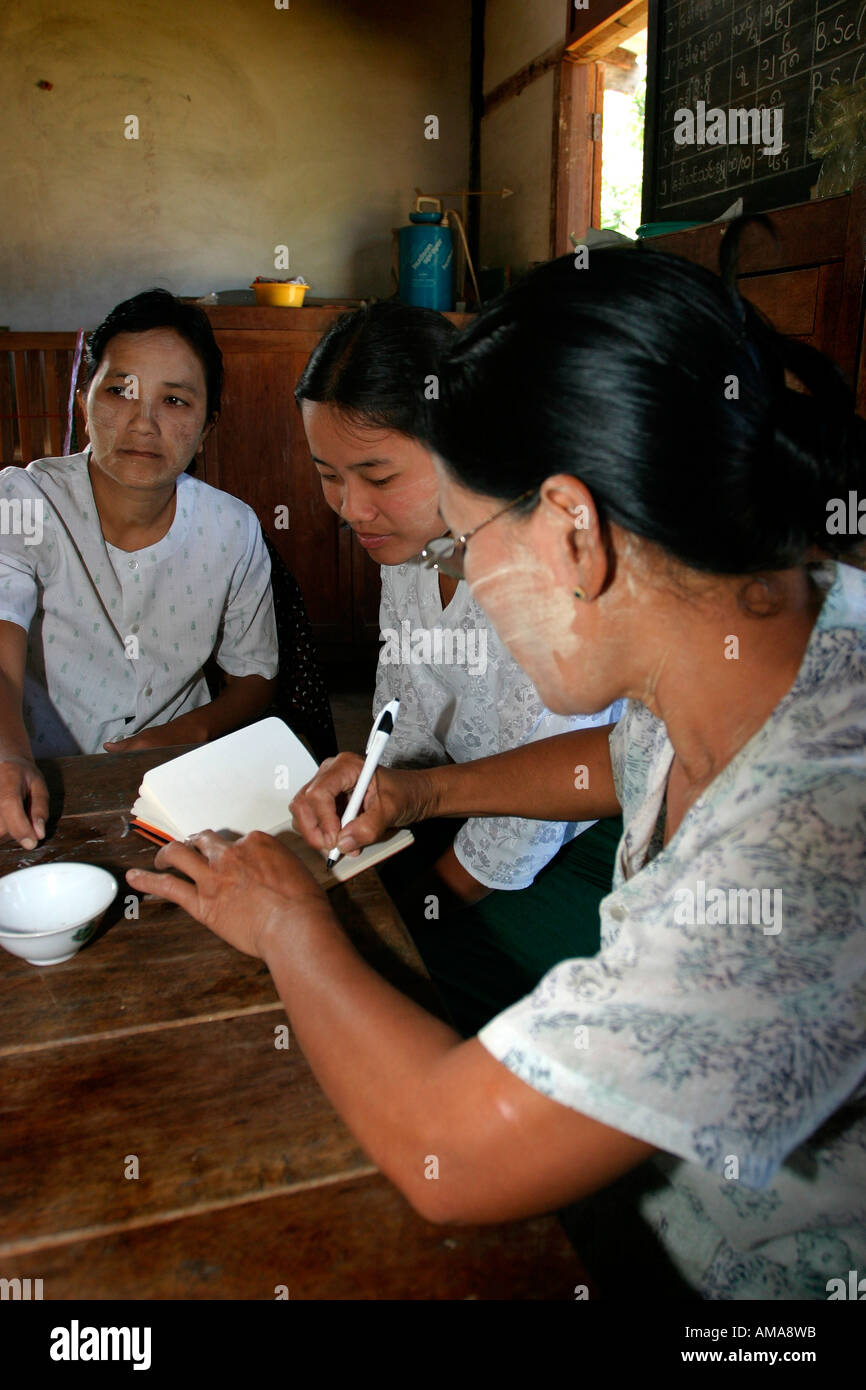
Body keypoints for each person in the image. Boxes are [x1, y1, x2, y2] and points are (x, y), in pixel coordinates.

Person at [127, 237, 866, 1299]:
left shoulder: (805, 843)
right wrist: (420, 791)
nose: (460, 570)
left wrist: (293, 920)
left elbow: (456, 1155)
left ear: (570, 529)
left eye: (468, 535)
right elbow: (616, 761)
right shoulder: (762, 625)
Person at [293, 300, 623, 1032]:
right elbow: (400, 704)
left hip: (576, 839)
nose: (352, 509)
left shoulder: (536, 559)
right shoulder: (411, 541)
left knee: (404, 988)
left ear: (461, 442)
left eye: (378, 475)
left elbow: (546, 800)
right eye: (328, 476)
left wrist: (413, 902)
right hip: (454, 805)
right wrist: (375, 792)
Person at [0, 289, 278, 850]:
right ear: (84, 401)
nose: (142, 422)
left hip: (182, 786)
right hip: (42, 779)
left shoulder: (233, 528)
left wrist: (185, 733)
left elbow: (255, 675)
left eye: (175, 401)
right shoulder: (23, 502)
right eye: (120, 391)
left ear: (207, 426)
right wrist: (9, 755)